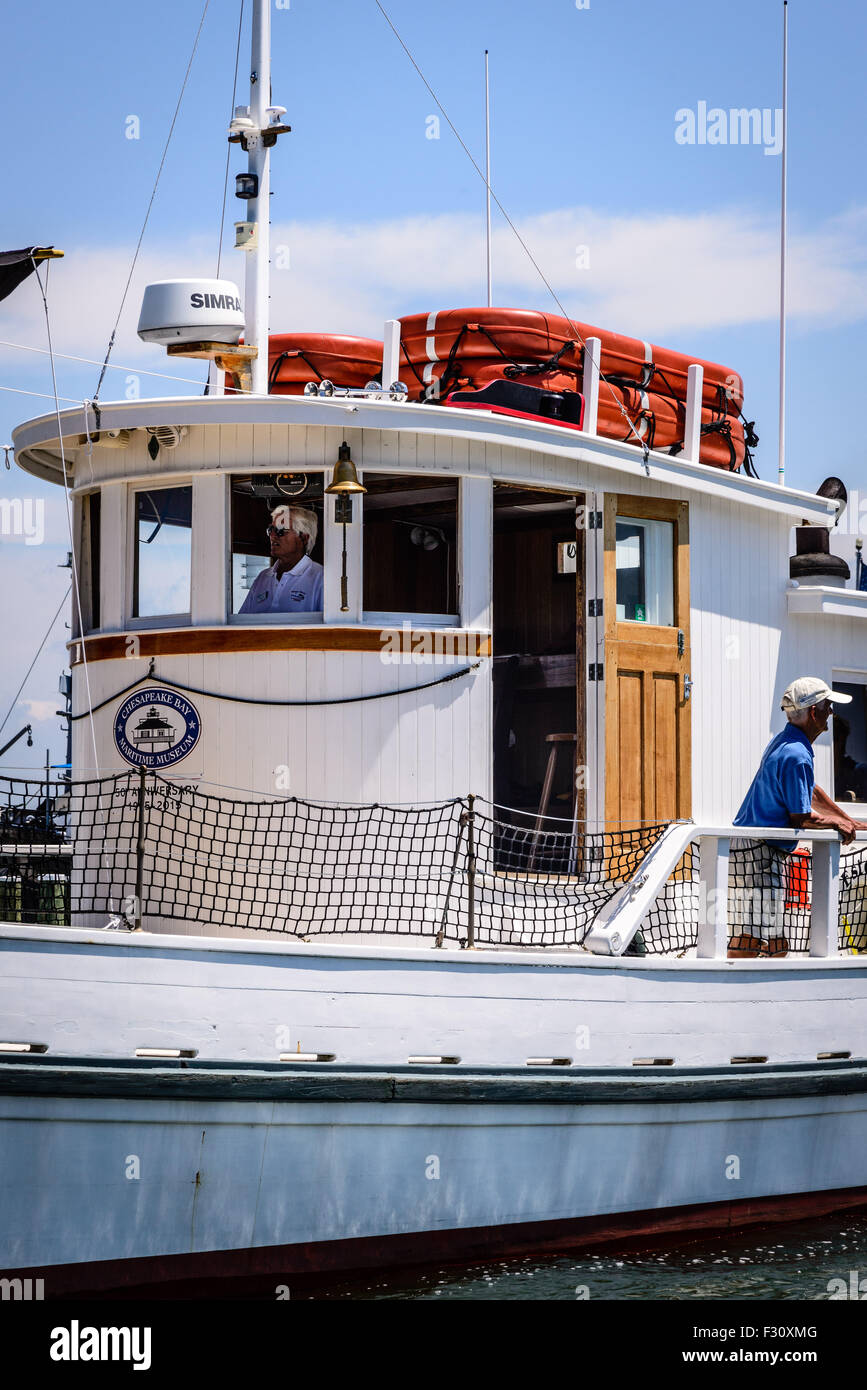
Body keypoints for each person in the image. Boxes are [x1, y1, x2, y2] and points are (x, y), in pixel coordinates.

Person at [729, 676, 867, 957]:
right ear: (814, 713)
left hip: (752, 851)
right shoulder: (797, 754)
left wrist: (847, 820)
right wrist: (837, 823)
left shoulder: (787, 742)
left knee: (773, 941)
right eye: (828, 706)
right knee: (754, 941)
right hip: (760, 855)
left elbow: (810, 790)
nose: (831, 714)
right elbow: (801, 818)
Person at [239, 505, 323, 614]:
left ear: (304, 538)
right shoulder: (263, 577)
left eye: (280, 530)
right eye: (271, 530)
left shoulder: (321, 578)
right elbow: (244, 621)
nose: (272, 536)